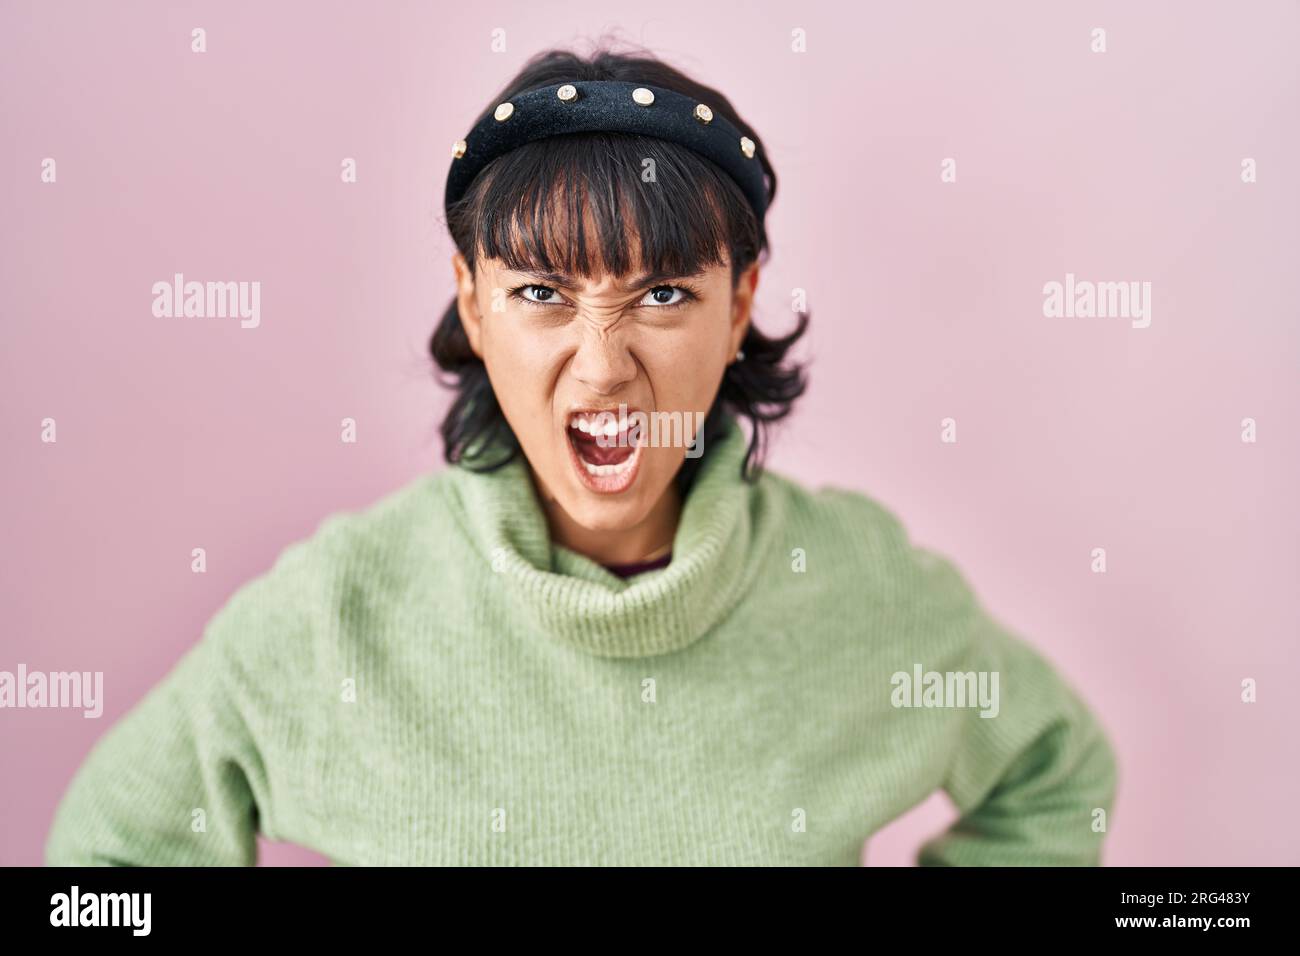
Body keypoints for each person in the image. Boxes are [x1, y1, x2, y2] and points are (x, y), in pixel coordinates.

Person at [46, 45, 1117, 866]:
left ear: (740, 301)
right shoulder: (339, 612)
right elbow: (102, 867)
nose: (602, 370)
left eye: (662, 294)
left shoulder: (861, 588)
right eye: (540, 294)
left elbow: (1058, 776)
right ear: (471, 299)